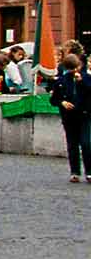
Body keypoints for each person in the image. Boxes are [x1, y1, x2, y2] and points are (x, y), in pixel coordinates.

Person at [51, 47, 88, 183]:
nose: (74, 71)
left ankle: (89, 171)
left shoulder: (87, 78)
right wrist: (62, 102)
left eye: (75, 68)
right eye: (70, 69)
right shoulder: (61, 80)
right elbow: (54, 99)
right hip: (69, 117)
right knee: (72, 144)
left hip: (85, 115)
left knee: (86, 143)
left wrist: (81, 82)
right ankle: (75, 172)